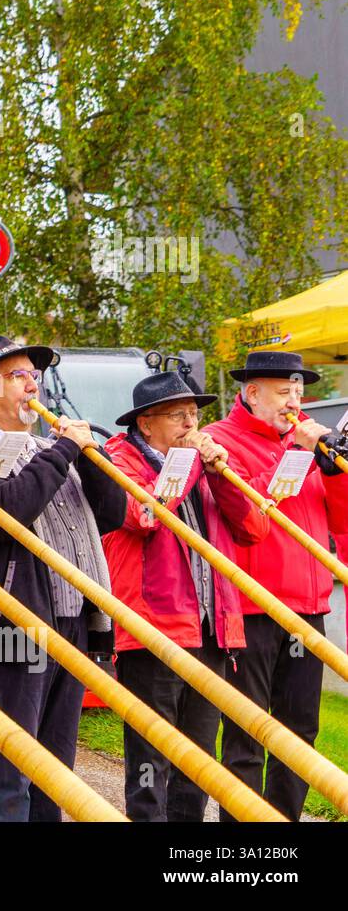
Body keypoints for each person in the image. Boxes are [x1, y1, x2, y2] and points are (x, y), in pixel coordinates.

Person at [0, 335, 125, 821]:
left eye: (36, 377)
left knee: (56, 768)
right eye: (21, 376)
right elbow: (3, 511)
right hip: (5, 623)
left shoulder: (53, 449)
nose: (34, 387)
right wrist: (64, 449)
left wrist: (89, 456)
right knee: (13, 764)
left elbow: (112, 515)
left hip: (70, 619)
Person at [102, 369, 268, 820]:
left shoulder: (204, 465)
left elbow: (254, 528)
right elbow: (142, 515)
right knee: (151, 760)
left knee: (197, 760)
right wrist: (193, 464)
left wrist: (221, 474)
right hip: (151, 629)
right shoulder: (117, 460)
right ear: (145, 423)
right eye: (179, 416)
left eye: (195, 415)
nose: (192, 426)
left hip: (212, 629)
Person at [204, 351, 348, 820]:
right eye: (284, 392)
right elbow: (251, 521)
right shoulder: (220, 442)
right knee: (247, 734)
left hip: (308, 607)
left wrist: (333, 470)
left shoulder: (305, 445)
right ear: (251, 393)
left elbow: (340, 523)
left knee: (301, 733)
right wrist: (300, 454)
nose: (295, 402)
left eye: (299, 393)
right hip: (251, 607)